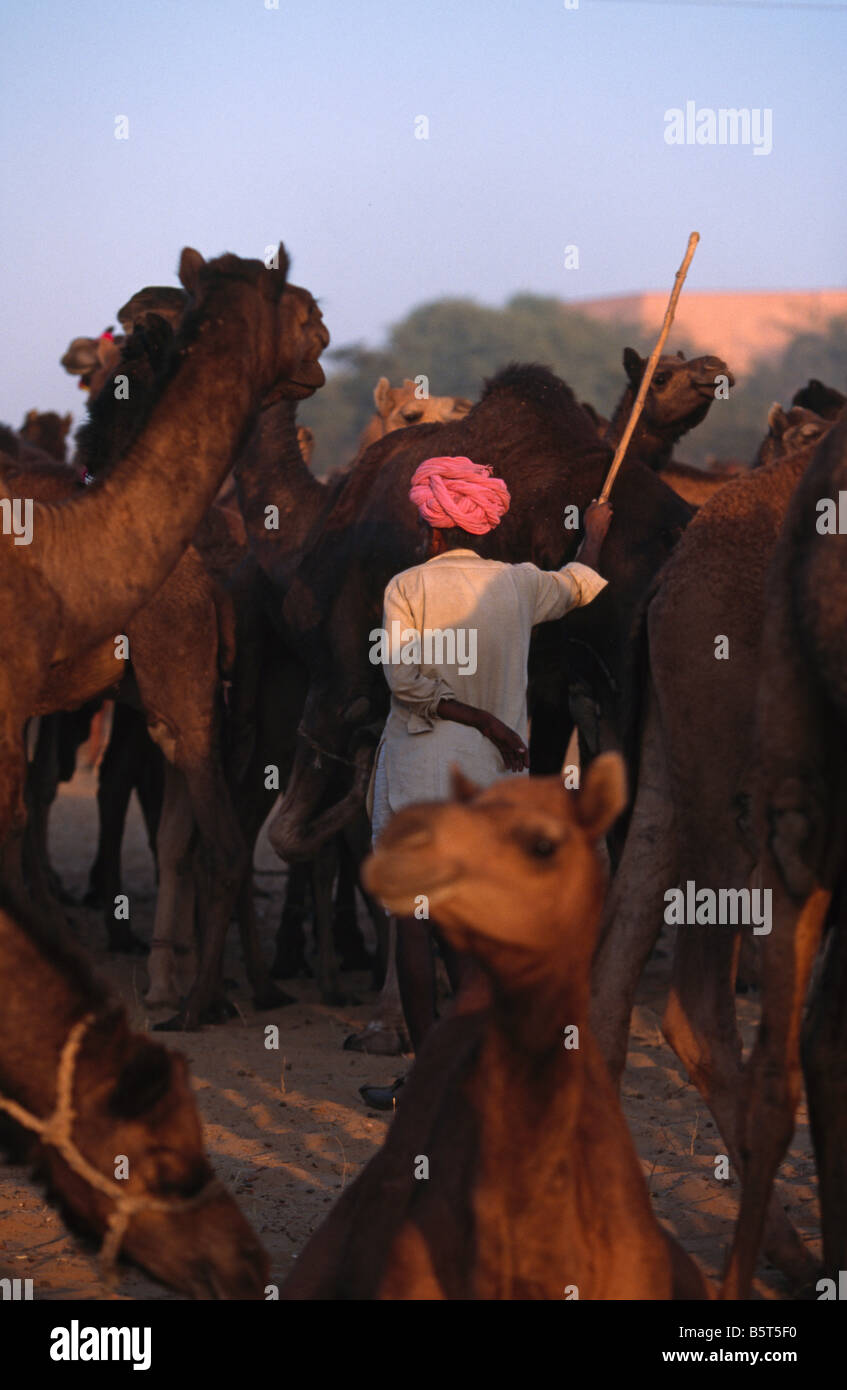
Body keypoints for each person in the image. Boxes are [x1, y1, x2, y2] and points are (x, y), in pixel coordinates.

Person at [361, 454, 613, 1108]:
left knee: (414, 924)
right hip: (488, 778)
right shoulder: (520, 584)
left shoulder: (406, 587)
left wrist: (479, 720)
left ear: (432, 526)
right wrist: (594, 530)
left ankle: (429, 1075)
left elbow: (406, 682)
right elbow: (581, 583)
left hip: (421, 763)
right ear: (483, 523)